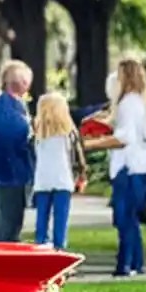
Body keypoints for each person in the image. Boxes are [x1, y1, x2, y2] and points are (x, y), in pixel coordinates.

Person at [85, 58, 146, 276]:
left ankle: (124, 265)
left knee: (124, 218)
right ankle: (137, 262)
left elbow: (124, 137)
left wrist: (90, 144)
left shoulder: (128, 103)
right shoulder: (141, 102)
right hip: (141, 166)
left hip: (127, 167)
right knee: (132, 219)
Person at [0, 60, 35, 242]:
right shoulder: (5, 109)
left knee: (11, 221)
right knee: (7, 223)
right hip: (8, 174)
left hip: (10, 173)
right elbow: (11, 139)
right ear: (20, 82)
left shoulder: (13, 106)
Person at [31, 93, 86, 249]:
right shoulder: (68, 134)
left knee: (42, 217)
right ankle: (59, 246)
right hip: (63, 179)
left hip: (42, 180)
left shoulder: (38, 134)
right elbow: (77, 157)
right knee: (61, 218)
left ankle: (41, 243)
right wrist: (81, 176)